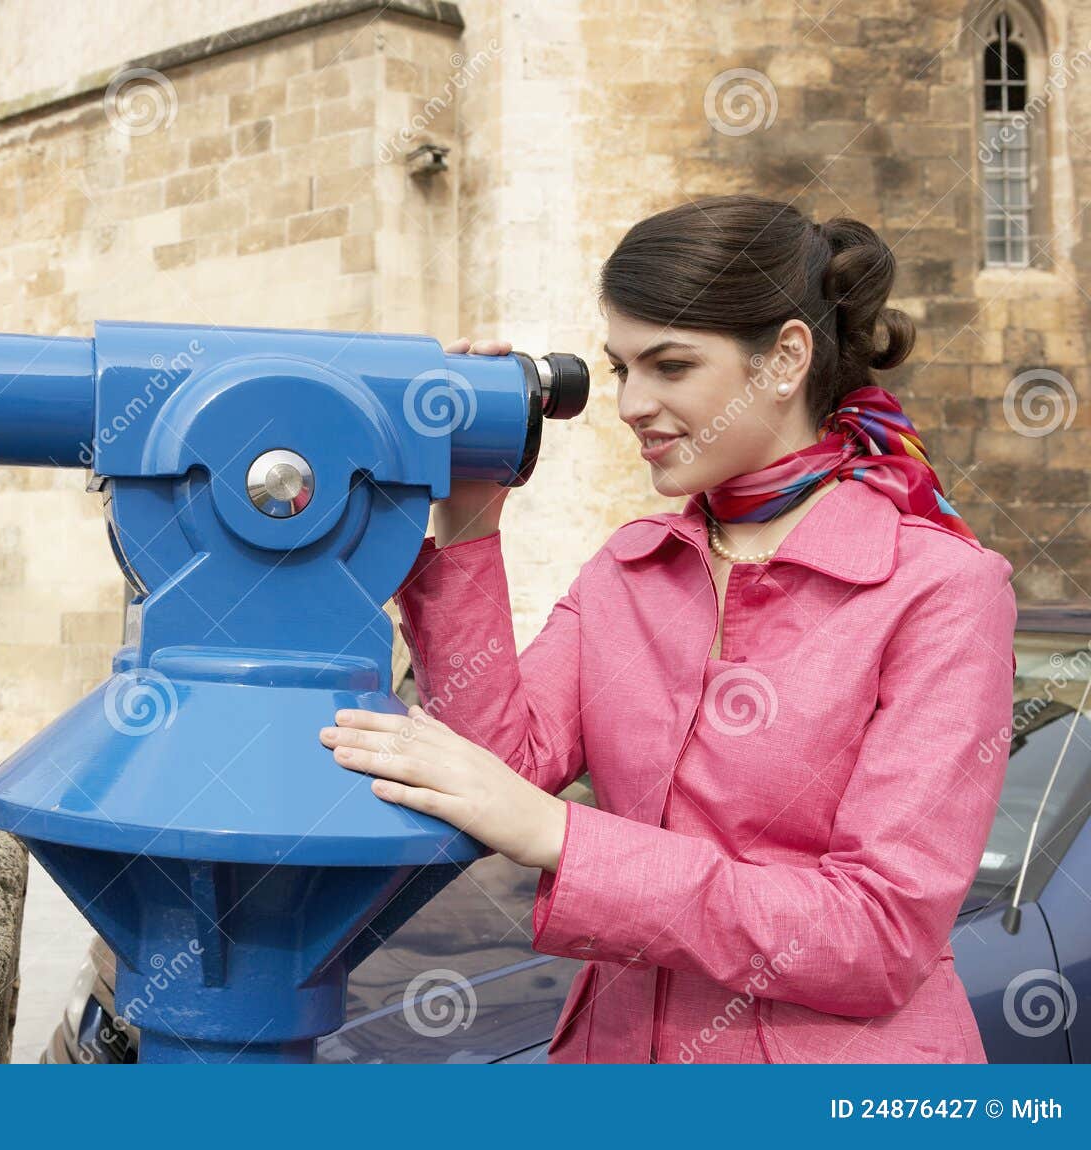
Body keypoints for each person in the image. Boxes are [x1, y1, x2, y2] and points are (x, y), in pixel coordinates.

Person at [317, 194, 1018, 1063]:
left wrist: (558, 835)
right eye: (618, 368)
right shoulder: (634, 566)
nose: (628, 404)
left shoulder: (941, 589)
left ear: (785, 359)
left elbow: (876, 935)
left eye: (670, 366)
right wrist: (469, 517)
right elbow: (494, 768)